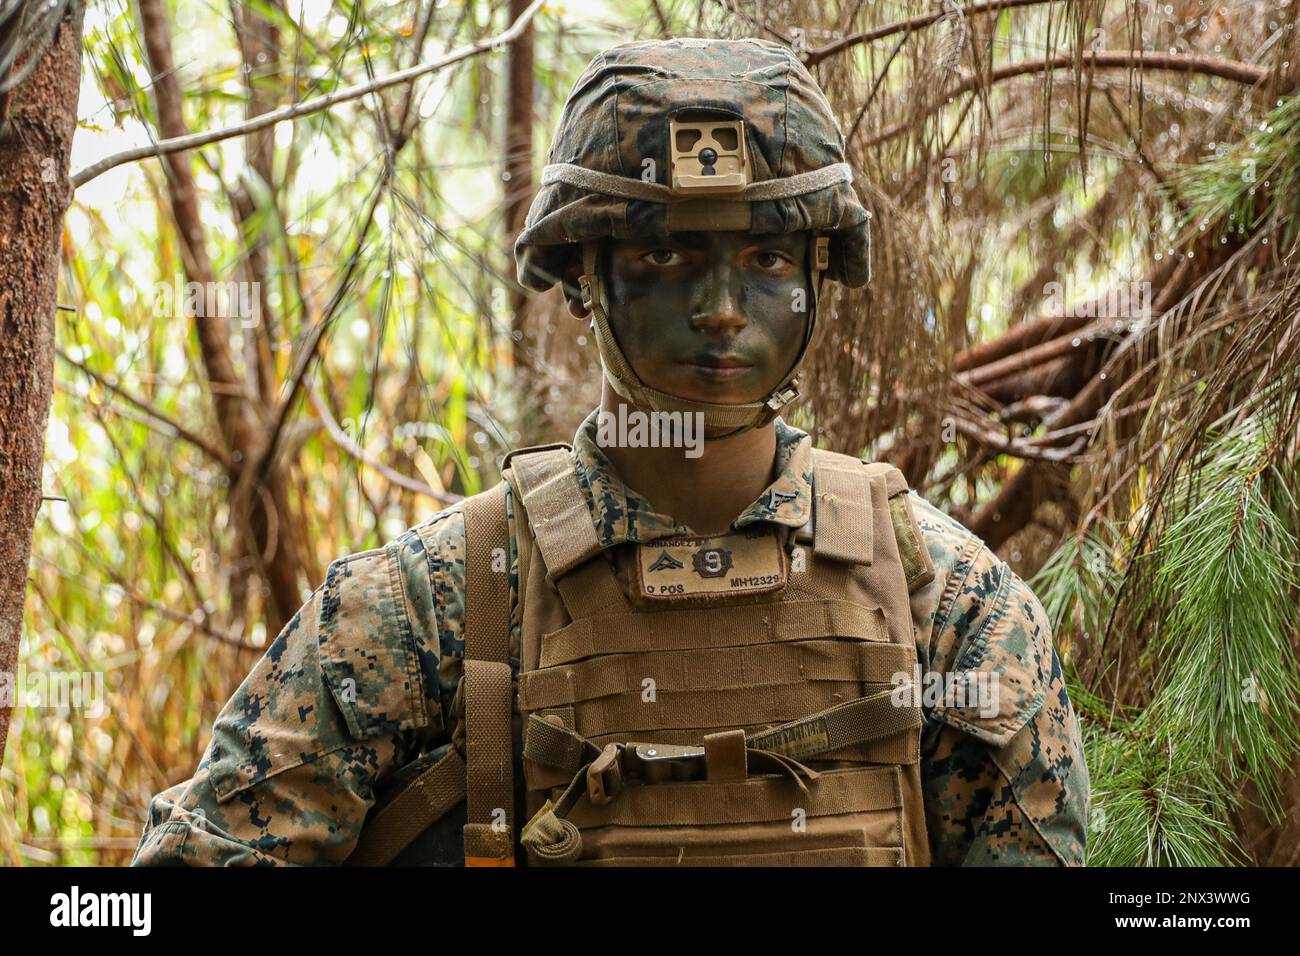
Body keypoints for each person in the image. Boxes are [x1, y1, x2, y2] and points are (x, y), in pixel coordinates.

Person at [133, 36, 1089, 867]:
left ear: (817, 279)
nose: (720, 308)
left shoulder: (950, 606)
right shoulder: (434, 607)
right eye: (665, 258)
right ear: (583, 277)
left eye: (764, 259)